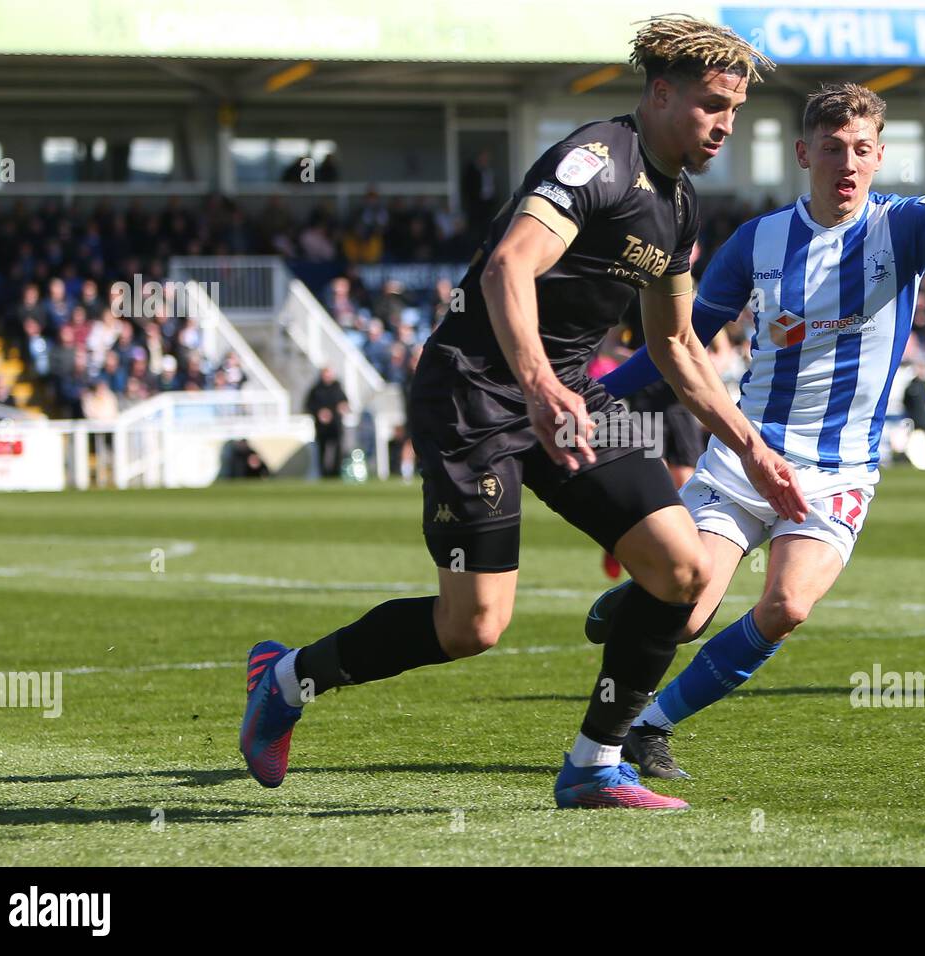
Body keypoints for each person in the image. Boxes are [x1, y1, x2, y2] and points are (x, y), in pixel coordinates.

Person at [238, 16, 797, 810]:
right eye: (712, 105)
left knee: (683, 568)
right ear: (662, 93)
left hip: (566, 394)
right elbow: (509, 266)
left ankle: (593, 765)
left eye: (734, 112)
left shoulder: (679, 206)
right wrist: (537, 386)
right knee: (474, 626)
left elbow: (675, 344)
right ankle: (286, 681)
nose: (725, 126)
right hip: (475, 392)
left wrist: (751, 449)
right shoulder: (596, 160)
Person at [584, 81, 925, 777]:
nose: (846, 165)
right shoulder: (755, 242)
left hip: (840, 470)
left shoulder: (904, 224)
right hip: (747, 454)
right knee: (688, 612)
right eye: (831, 150)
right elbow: (682, 340)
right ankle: (644, 600)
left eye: (861, 150)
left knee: (788, 604)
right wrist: (587, 397)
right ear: (804, 153)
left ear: (880, 156)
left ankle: (647, 726)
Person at [305, 367, 349, 478]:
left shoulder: (337, 388)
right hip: (322, 427)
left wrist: (343, 407)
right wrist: (319, 412)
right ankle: (323, 474)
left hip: (336, 425)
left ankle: (336, 473)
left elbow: (344, 403)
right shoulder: (316, 389)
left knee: (338, 449)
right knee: (322, 450)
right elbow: (309, 405)